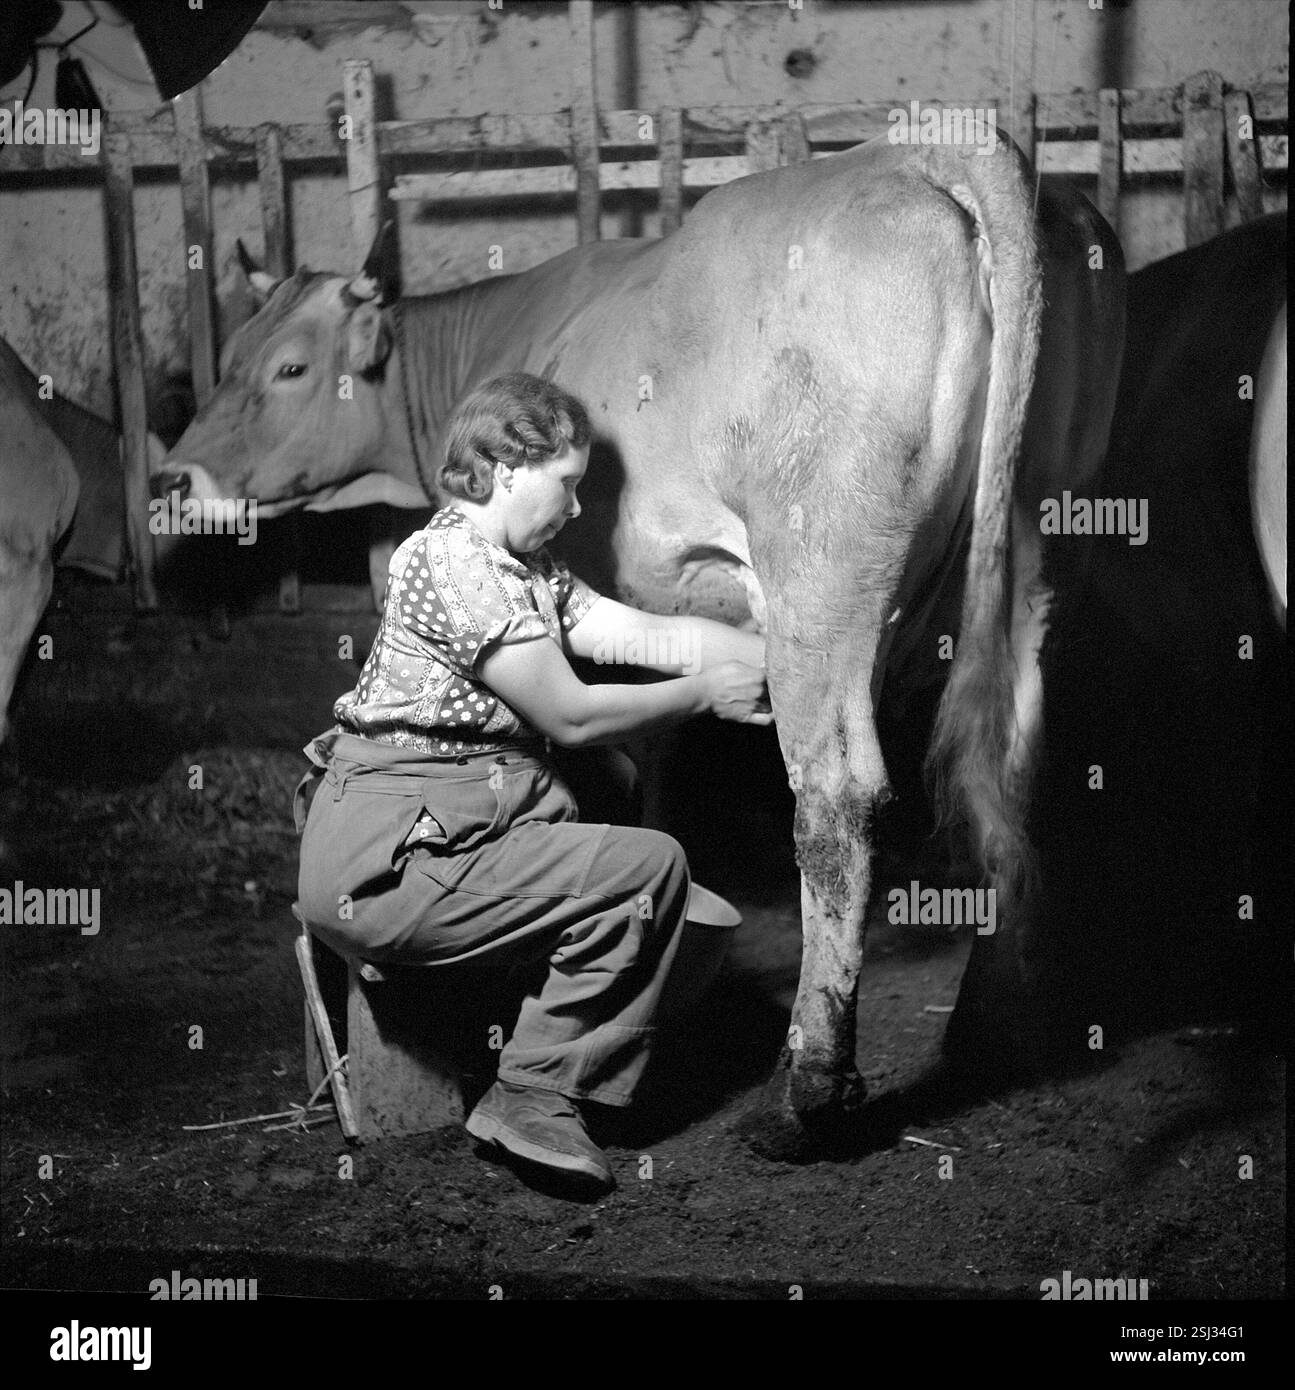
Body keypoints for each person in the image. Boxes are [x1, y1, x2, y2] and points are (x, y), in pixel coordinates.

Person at [294, 372, 770, 1189]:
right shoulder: (449, 561)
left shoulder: (526, 571)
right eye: (569, 484)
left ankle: (524, 1049)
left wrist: (771, 653)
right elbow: (571, 715)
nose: (578, 508)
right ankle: (533, 1092)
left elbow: (645, 636)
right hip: (389, 864)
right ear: (509, 467)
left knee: (607, 787)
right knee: (647, 865)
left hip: (448, 837)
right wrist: (703, 694)